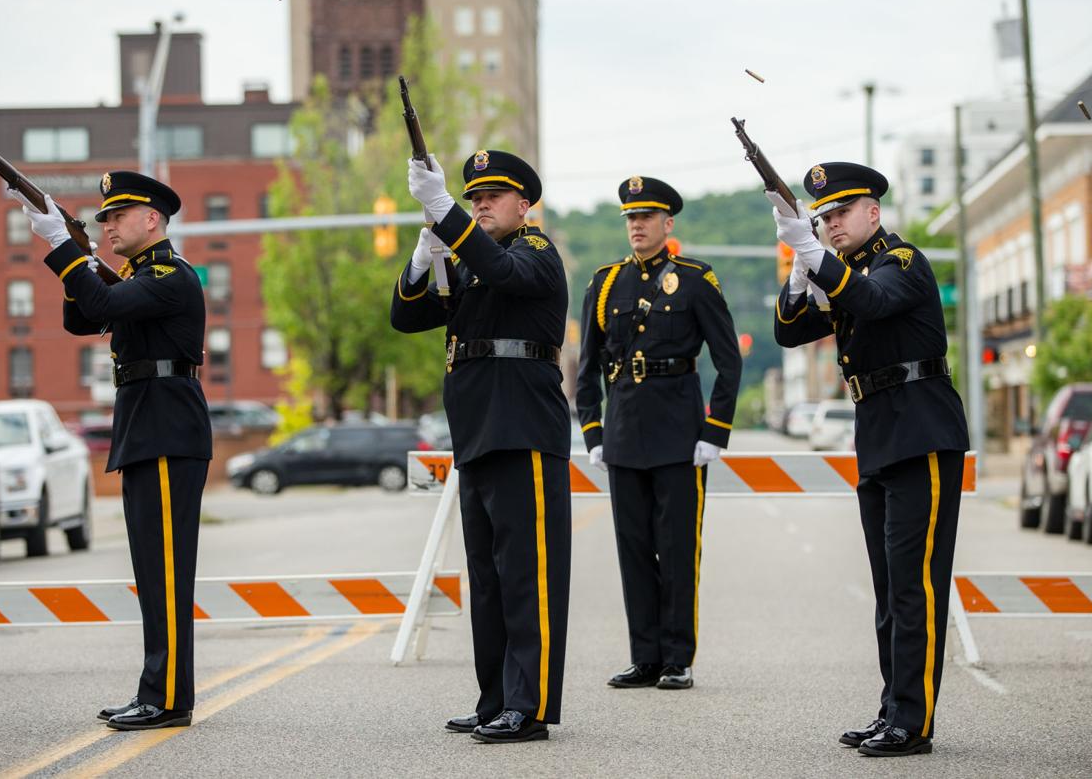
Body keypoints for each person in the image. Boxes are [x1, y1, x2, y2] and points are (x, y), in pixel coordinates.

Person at [772, 162, 969, 757]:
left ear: (873, 213)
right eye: (822, 218)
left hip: (921, 430)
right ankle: (893, 710)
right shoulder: (848, 273)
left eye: (841, 214)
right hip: (879, 433)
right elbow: (788, 333)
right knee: (890, 589)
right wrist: (800, 271)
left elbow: (873, 301)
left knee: (916, 588)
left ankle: (914, 721)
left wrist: (814, 255)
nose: (831, 224)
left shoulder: (901, 262)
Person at [11, 171, 211, 731]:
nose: (107, 225)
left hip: (169, 432)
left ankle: (169, 699)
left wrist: (62, 246)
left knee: (168, 574)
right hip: (146, 429)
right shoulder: (135, 277)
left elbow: (97, 299)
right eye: (102, 219)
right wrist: (75, 254)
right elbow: (83, 315)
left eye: (117, 216)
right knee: (152, 574)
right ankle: (158, 691)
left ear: (152, 219)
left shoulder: (172, 275)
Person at [392, 150, 571, 744]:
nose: (482, 204)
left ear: (525, 204)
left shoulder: (536, 252)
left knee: (528, 576)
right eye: (473, 197)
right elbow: (405, 319)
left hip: (523, 426)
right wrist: (422, 261)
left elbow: (506, 272)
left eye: (493, 196)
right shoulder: (470, 262)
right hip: (476, 430)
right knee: (488, 578)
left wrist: (445, 213)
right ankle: (495, 697)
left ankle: (531, 703)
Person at [575, 176, 742, 691]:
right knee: (632, 547)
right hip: (624, 430)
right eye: (630, 217)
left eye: (646, 217)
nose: (637, 225)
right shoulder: (605, 283)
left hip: (677, 431)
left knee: (675, 548)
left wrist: (715, 429)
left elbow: (728, 358)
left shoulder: (696, 278)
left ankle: (677, 658)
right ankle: (644, 657)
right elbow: (586, 367)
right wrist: (594, 431)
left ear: (668, 224)